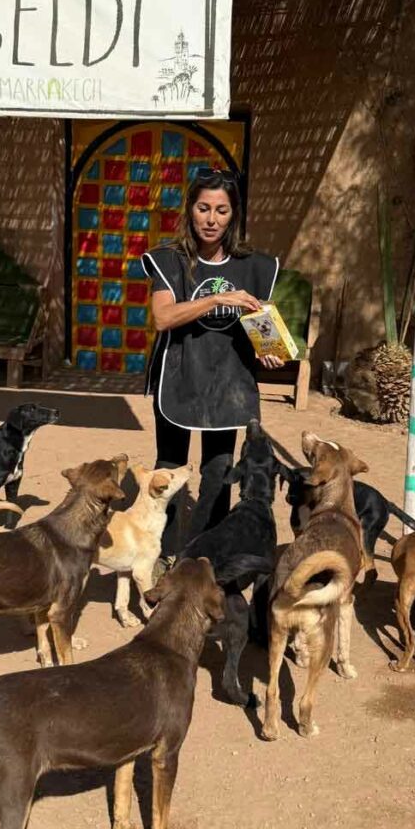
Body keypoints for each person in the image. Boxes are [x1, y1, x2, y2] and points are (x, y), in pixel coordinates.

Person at [142, 167, 283, 556]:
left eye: (221, 211)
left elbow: (263, 327)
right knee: (169, 469)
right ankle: (164, 553)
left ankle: (204, 556)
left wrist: (269, 350)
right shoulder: (170, 261)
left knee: (218, 473)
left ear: (233, 214)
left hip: (228, 381)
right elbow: (163, 318)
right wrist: (218, 298)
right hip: (179, 375)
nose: (211, 219)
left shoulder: (252, 265)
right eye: (204, 208)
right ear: (190, 209)